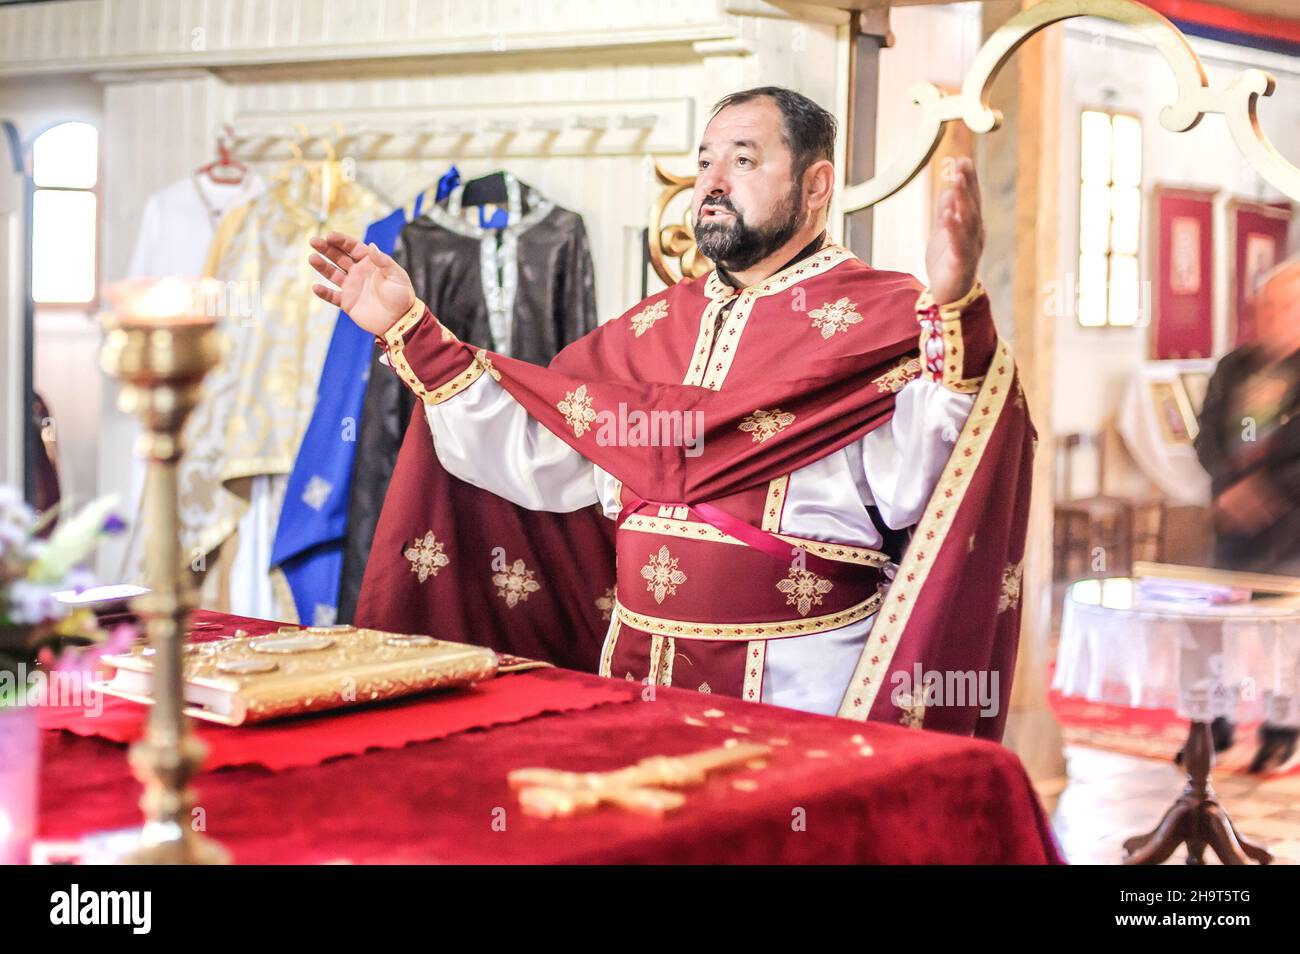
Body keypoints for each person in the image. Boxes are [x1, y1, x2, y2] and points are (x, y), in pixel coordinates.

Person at [307, 87, 1036, 739]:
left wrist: (953, 307)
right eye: (706, 161)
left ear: (817, 186)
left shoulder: (883, 317)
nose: (712, 183)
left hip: (803, 686)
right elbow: (538, 455)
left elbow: (929, 479)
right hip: (635, 676)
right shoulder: (650, 328)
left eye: (743, 160)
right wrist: (412, 329)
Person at [1193, 259, 1300, 773]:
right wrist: (1230, 487)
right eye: (1267, 306)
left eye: (1285, 307)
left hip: (1291, 529)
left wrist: (1269, 490)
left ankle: (1282, 732)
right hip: (1232, 524)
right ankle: (1215, 725)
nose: (1272, 316)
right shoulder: (1234, 367)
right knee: (1218, 628)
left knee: (1285, 636)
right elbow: (1207, 434)